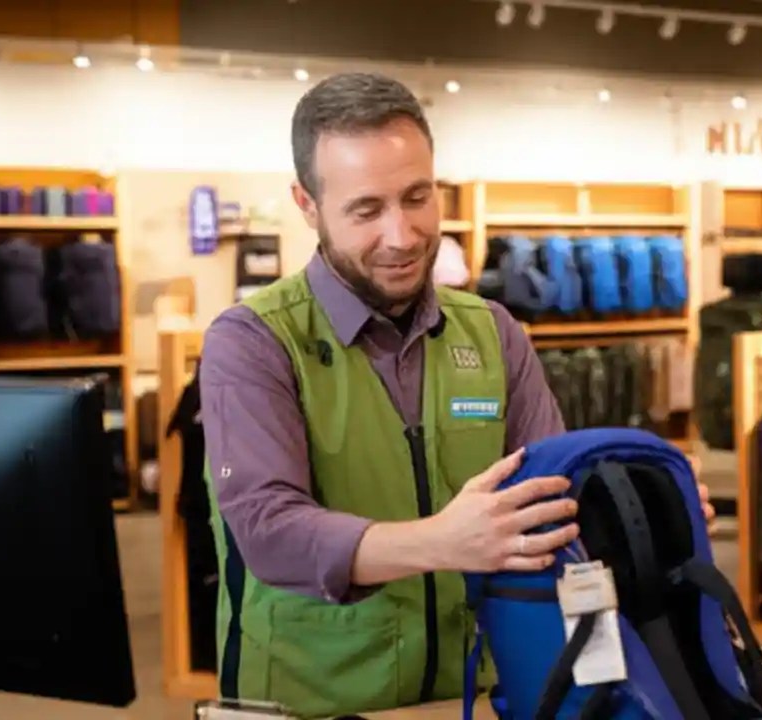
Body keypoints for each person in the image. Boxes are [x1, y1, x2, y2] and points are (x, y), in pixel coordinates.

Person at [197, 72, 714, 719]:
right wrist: (443, 541)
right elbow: (268, 534)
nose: (403, 234)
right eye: (367, 209)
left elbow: (551, 502)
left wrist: (645, 503)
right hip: (313, 701)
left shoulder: (491, 332)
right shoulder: (253, 342)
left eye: (418, 197)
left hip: (481, 693)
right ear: (307, 205)